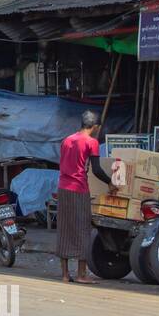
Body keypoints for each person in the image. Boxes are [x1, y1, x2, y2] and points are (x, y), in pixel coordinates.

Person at [55, 110, 112, 284]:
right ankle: (81, 274)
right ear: (95, 127)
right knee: (82, 230)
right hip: (79, 189)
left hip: (63, 188)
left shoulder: (67, 140)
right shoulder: (91, 142)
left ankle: (65, 275)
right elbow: (96, 169)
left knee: (64, 228)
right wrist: (111, 183)